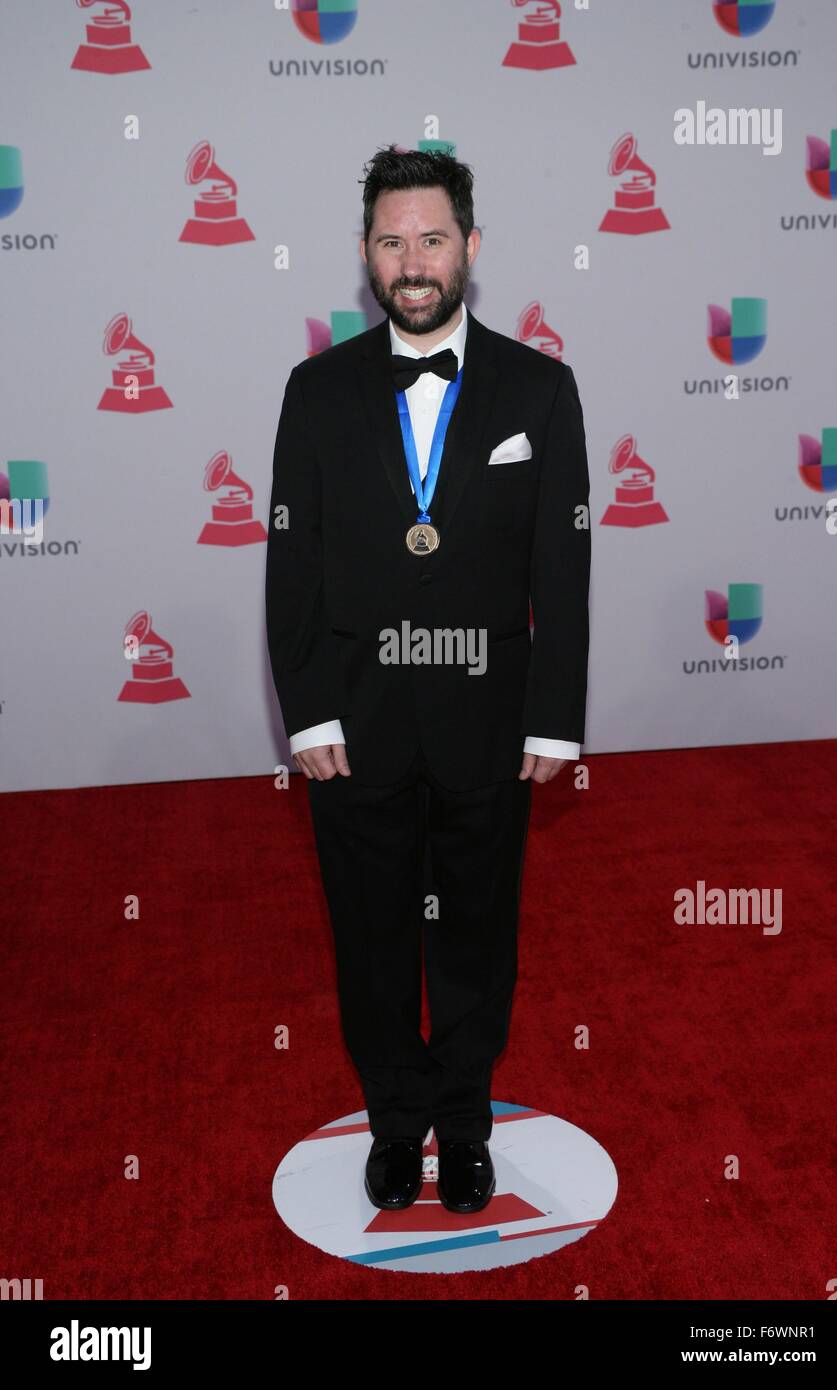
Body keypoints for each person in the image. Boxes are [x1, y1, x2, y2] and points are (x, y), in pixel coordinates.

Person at [265, 145, 590, 1215]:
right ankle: (394, 1125)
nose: (413, 261)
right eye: (392, 240)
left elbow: (562, 565)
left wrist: (553, 720)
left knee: (474, 936)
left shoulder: (540, 390)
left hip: (487, 723)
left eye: (433, 238)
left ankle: (464, 1123)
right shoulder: (313, 392)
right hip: (353, 726)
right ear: (365, 255)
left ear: (471, 248)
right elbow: (292, 562)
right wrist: (305, 708)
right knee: (369, 937)